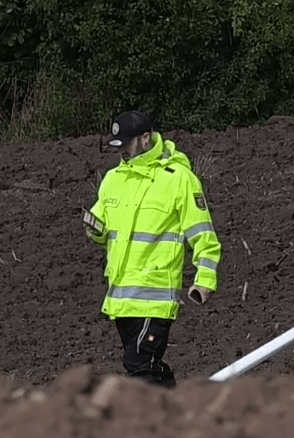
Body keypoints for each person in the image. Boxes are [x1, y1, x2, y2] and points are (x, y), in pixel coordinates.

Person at [84, 110, 222, 387]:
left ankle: (155, 424)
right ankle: (178, 410)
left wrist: (204, 280)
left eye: (126, 144)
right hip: (120, 299)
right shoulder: (113, 179)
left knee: (139, 365)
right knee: (146, 368)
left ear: (146, 139)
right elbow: (104, 230)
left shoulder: (179, 179)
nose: (121, 151)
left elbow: (203, 235)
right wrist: (94, 229)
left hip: (155, 297)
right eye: (117, 146)